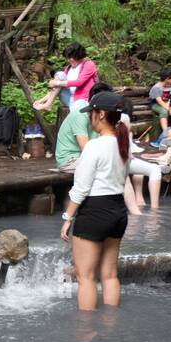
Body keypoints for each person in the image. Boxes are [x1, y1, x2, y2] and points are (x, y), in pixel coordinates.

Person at [61, 92, 133, 311]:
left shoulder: (94, 146)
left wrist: (67, 217)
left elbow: (81, 188)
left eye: (91, 113)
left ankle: (87, 333)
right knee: (110, 275)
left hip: (94, 212)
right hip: (118, 212)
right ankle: (110, 329)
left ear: (101, 114)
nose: (90, 118)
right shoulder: (123, 144)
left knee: (86, 277)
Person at [55, 83, 154, 210]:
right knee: (112, 171)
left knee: (121, 169)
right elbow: (86, 150)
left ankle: (134, 212)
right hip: (70, 159)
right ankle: (133, 212)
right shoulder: (80, 116)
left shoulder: (104, 120)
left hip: (88, 157)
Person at [148, 71, 171, 148]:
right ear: (167, 79)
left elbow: (170, 99)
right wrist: (168, 109)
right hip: (155, 105)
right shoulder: (157, 88)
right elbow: (160, 102)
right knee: (164, 111)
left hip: (166, 104)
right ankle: (165, 134)